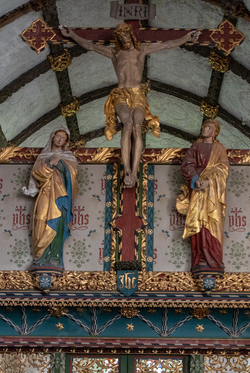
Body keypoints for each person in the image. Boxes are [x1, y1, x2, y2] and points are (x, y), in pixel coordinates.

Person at [59, 23, 200, 187]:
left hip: (138, 94)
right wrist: (73, 36)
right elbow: (91, 46)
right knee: (127, 123)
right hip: (120, 93)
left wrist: (185, 38)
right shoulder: (114, 53)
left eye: (125, 36)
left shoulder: (141, 50)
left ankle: (134, 172)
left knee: (137, 126)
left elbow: (166, 45)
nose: (123, 39)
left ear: (130, 36)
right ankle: (126, 169)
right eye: (120, 37)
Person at [23, 127, 79, 268]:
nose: (60, 140)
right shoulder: (43, 156)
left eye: (63, 138)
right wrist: (50, 163)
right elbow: (37, 174)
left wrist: (61, 164)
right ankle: (41, 256)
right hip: (45, 194)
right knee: (41, 220)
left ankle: (55, 256)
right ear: (53, 136)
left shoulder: (68, 157)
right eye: (58, 136)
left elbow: (73, 175)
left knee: (58, 222)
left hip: (62, 197)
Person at [179, 118, 229, 274]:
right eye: (204, 126)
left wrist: (209, 180)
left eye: (208, 127)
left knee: (213, 224)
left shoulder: (219, 148)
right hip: (198, 190)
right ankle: (200, 258)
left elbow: (224, 169)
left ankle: (214, 259)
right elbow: (187, 164)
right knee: (199, 223)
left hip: (213, 191)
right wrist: (196, 179)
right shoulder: (195, 147)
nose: (204, 129)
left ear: (214, 132)